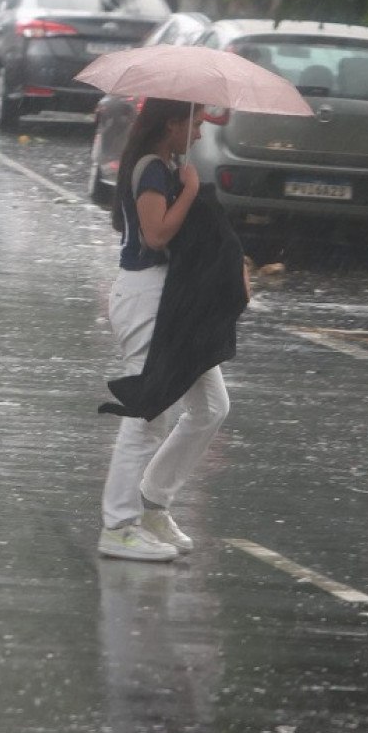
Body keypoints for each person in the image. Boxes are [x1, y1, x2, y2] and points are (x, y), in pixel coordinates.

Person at [97, 98, 235, 562]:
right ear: (172, 123)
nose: (199, 134)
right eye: (194, 124)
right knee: (148, 411)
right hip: (146, 300)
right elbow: (156, 236)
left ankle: (152, 502)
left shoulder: (167, 166)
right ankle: (118, 526)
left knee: (212, 407)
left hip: (169, 298)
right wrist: (192, 192)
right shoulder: (150, 168)